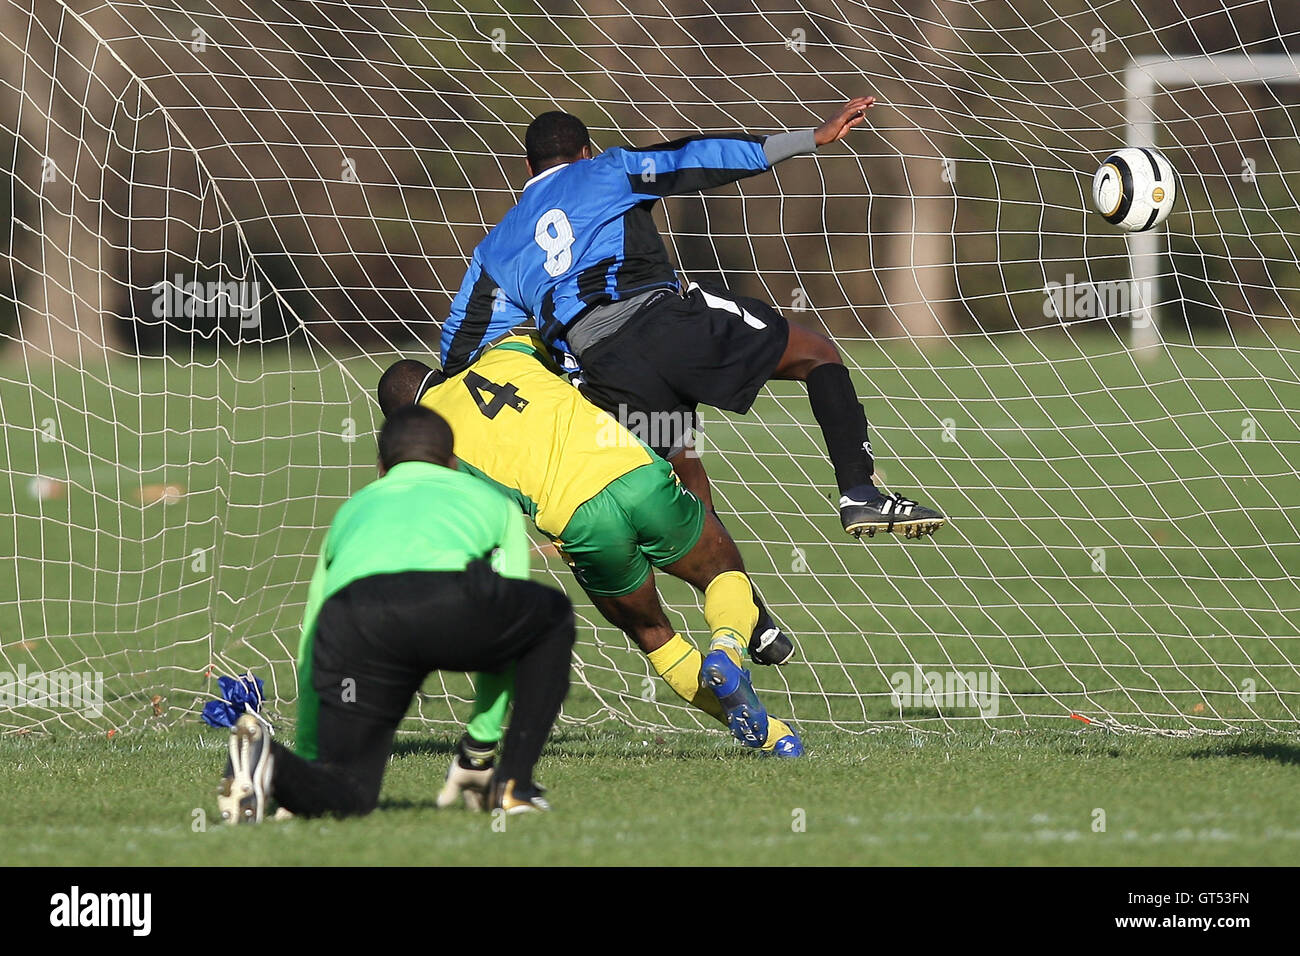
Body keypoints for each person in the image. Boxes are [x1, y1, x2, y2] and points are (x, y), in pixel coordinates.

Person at [437, 96, 945, 540]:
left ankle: (751, 620)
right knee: (816, 354)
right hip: (664, 324)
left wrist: (434, 403)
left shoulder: (495, 248)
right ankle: (859, 489)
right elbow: (695, 157)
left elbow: (460, 344)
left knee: (684, 472)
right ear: (586, 151)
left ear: (528, 170)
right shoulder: (609, 169)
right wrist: (810, 137)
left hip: (607, 372)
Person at [377, 337, 802, 769]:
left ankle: (774, 738)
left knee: (654, 635)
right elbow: (559, 334)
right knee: (721, 572)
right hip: (632, 473)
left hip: (578, 520)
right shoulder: (505, 353)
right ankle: (728, 649)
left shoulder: (436, 446)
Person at [218, 405, 575, 822]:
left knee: (349, 793)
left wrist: (313, 755)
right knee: (549, 615)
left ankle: (271, 762)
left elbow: (315, 626)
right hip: (451, 606)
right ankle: (514, 787)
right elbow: (511, 621)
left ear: (381, 467)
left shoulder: (353, 508)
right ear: (454, 463)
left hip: (355, 623)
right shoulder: (492, 501)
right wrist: (479, 747)